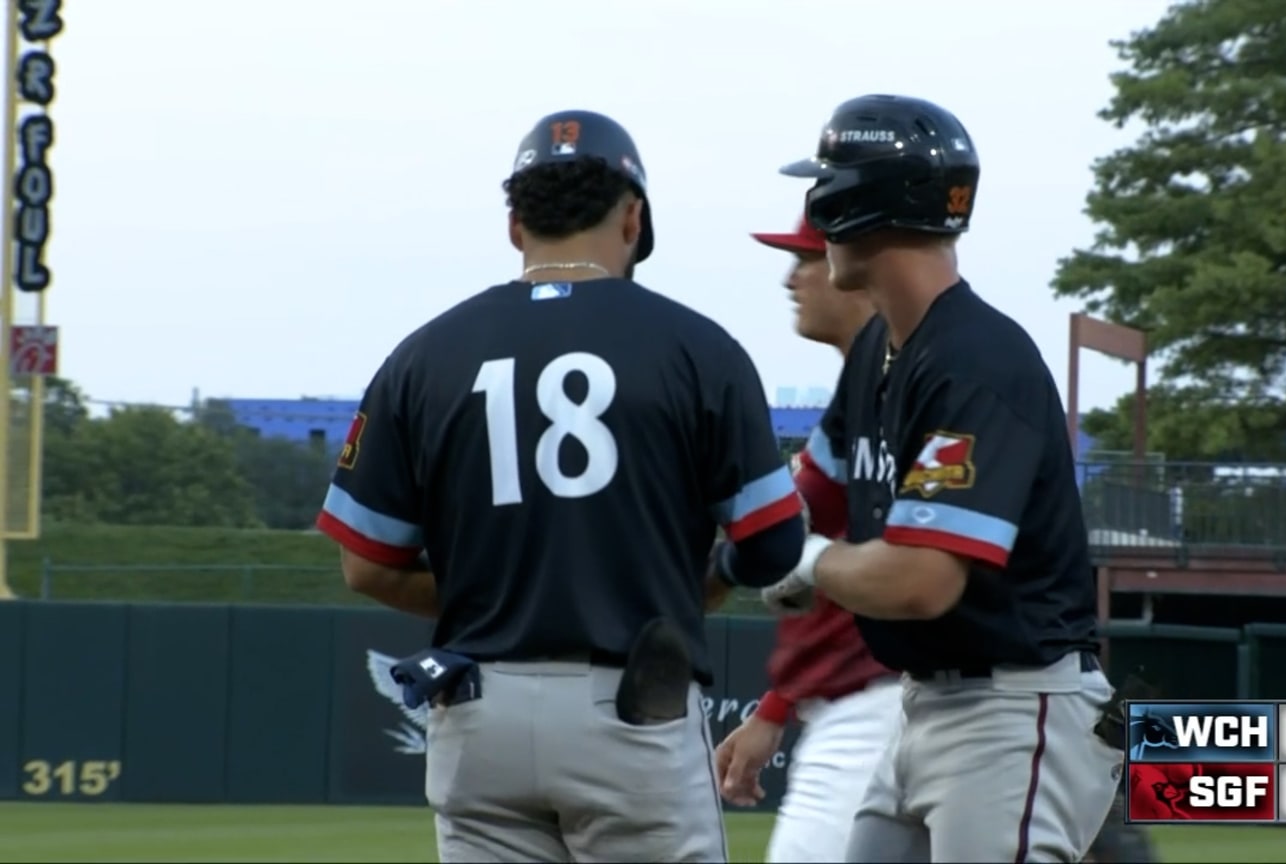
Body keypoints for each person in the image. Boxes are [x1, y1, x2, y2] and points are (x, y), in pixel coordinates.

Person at [314, 109, 806, 863]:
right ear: (633, 218)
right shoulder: (698, 348)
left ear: (516, 225)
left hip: (477, 711)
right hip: (630, 706)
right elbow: (774, 544)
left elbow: (367, 565)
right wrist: (700, 579)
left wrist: (506, 595)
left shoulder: (423, 355)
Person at [758, 94, 1123, 863]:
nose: (815, 211)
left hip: (1015, 709)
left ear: (858, 202)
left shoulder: (975, 360)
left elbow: (921, 581)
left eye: (825, 185)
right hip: (927, 702)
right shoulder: (879, 350)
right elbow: (799, 501)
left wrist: (805, 559)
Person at [712, 214, 900, 862]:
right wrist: (776, 705)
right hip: (877, 702)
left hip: (884, 700)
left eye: (806, 259)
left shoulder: (911, 383)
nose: (791, 279)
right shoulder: (861, 389)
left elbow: (807, 546)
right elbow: (796, 528)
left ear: (854, 270)